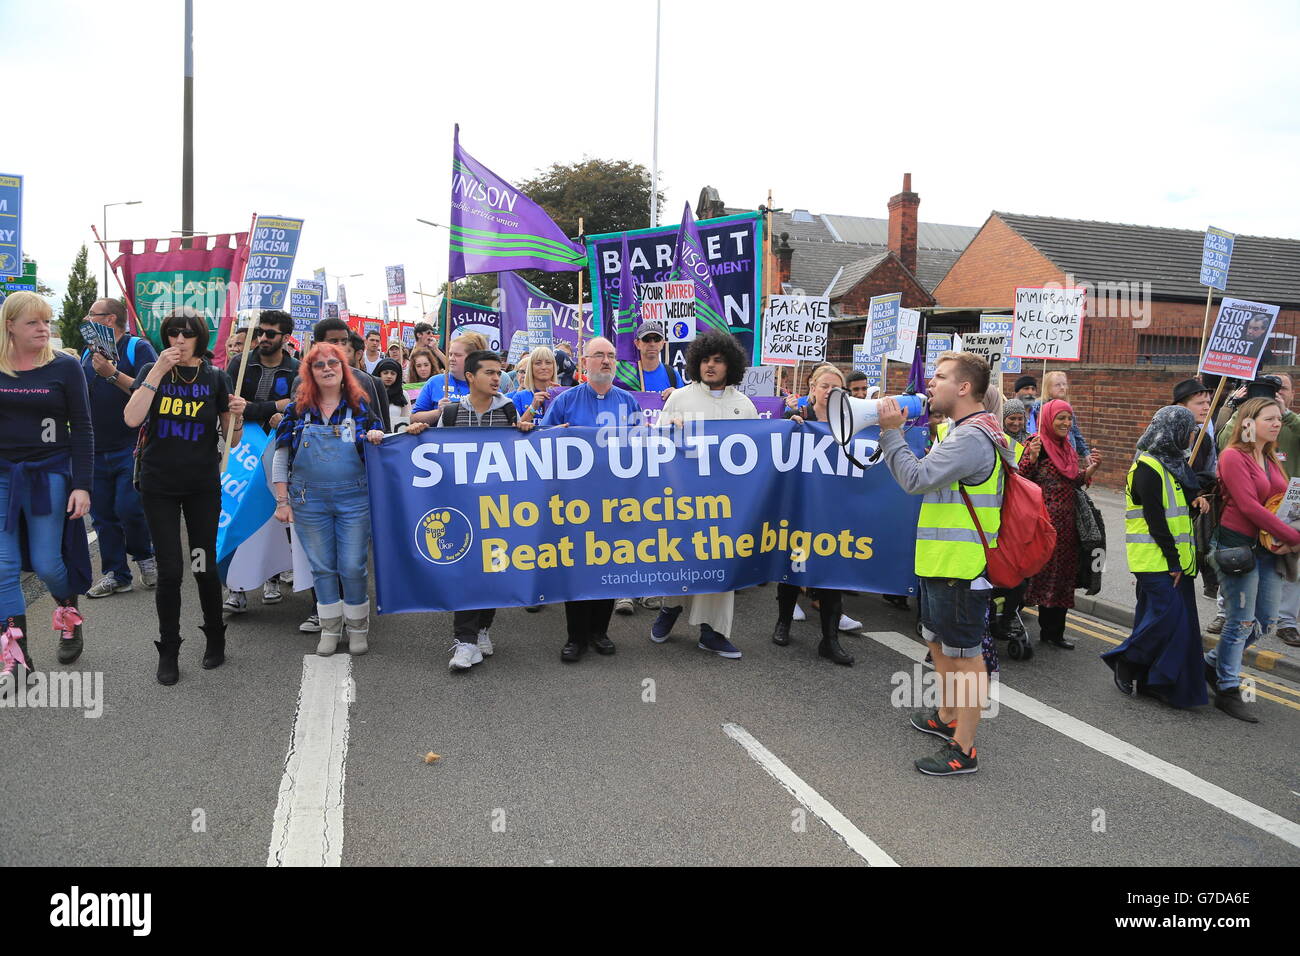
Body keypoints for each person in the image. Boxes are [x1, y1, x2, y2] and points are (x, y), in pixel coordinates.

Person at [877, 351, 1017, 775]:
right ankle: (947, 715)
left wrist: (891, 433)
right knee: (937, 642)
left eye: (939, 377)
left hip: (961, 565)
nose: (930, 384)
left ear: (964, 387)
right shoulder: (960, 432)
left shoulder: (972, 438)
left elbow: (916, 479)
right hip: (941, 561)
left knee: (965, 655)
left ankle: (965, 748)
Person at [123, 307, 247, 685]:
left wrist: (236, 416)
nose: (179, 340)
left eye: (187, 334)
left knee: (202, 565)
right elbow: (132, 418)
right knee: (170, 571)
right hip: (158, 486)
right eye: (173, 333)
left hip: (201, 487)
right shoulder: (152, 372)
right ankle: (170, 647)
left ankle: (214, 636)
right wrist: (157, 372)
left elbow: (232, 441)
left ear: (199, 338)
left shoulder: (215, 377)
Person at [274, 343, 399, 657]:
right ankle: (330, 628)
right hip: (308, 499)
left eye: (333, 362)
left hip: (354, 499)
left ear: (344, 368)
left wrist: (375, 438)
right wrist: (282, 501)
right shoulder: (297, 409)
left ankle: (358, 628)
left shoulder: (359, 407)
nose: (327, 368)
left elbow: (380, 443)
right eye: (319, 365)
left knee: (353, 567)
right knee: (322, 568)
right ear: (310, 372)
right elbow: (281, 455)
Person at [0, 292, 94, 688]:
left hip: (49, 473)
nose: (44, 329)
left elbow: (83, 429)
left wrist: (82, 485)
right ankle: (16, 660)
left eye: (46, 321)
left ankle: (67, 612)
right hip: (2, 474)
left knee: (46, 563)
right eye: (33, 323)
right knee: (3, 568)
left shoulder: (66, 366)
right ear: (10, 327)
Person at [650, 332, 756, 660]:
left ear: (731, 365)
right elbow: (656, 444)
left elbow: (759, 451)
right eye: (706, 359)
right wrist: (670, 427)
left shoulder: (745, 405)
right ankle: (670, 608)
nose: (711, 365)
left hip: (725, 503)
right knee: (680, 556)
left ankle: (713, 631)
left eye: (718, 360)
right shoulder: (679, 398)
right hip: (684, 499)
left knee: (720, 561)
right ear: (697, 362)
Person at [539, 337, 644, 662]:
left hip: (615, 502)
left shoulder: (628, 402)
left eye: (611, 355)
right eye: (599, 355)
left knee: (609, 567)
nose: (606, 361)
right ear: (585, 362)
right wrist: (558, 434)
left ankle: (600, 631)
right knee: (578, 568)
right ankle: (575, 637)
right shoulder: (566, 401)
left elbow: (643, 447)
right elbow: (543, 441)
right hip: (575, 503)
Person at [1103, 406, 1209, 707]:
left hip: (1177, 560)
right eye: (1188, 430)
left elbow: (1184, 495)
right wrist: (1173, 561)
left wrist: (1197, 499)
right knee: (1167, 618)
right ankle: (1126, 660)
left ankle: (1156, 682)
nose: (1191, 435)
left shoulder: (1175, 462)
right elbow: (1155, 519)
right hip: (1155, 560)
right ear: (1173, 431)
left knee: (1178, 625)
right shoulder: (1147, 466)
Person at [1204, 397, 1300, 722]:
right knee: (1241, 621)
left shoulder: (1272, 458)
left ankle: (1211, 664)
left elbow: (1279, 502)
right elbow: (1248, 507)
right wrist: (1294, 538)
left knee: (1266, 621)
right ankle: (1228, 689)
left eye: (1279, 419)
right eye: (1270, 419)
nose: (1277, 424)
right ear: (1248, 423)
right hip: (1237, 548)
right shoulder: (1233, 456)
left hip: (1268, 551)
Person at [438, 349, 533, 671]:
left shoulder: (507, 408)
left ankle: (482, 630)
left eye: (499, 372)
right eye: (489, 373)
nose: (497, 378)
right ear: (470, 377)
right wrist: (416, 433)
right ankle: (464, 640)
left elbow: (517, 450)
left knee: (493, 568)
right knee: (466, 572)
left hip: (497, 508)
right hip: (462, 507)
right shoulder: (451, 413)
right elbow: (435, 452)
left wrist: (522, 432)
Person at [773, 363, 862, 659]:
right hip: (800, 509)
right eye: (824, 386)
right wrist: (789, 424)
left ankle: (830, 640)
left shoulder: (850, 422)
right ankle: (783, 621)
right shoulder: (799, 418)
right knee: (793, 568)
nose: (829, 392)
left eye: (836, 389)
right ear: (812, 388)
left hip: (833, 512)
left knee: (830, 575)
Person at [80, 298, 158, 598]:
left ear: (110, 319)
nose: (87, 320)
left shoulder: (136, 348)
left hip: (132, 444)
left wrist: (111, 374)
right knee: (102, 514)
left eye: (92, 315)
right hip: (95, 446)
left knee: (129, 508)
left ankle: (144, 555)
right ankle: (116, 573)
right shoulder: (88, 353)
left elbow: (150, 391)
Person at [224, 309, 299, 614]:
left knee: (273, 515)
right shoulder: (239, 364)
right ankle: (235, 587)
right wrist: (266, 409)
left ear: (285, 338)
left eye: (270, 334)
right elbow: (229, 404)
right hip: (242, 448)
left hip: (279, 450)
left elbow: (293, 406)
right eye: (260, 333)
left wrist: (253, 407)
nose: (263, 339)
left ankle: (271, 576)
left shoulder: (295, 369)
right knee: (237, 511)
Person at [1019, 398, 1102, 650]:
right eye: (1061, 418)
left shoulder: (1067, 447)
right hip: (1042, 524)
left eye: (1069, 418)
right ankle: (1013, 622)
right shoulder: (1036, 443)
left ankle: (1054, 633)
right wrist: (1031, 458)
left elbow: (1073, 480)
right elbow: (1020, 478)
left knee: (1063, 578)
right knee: (1038, 576)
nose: (1066, 423)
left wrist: (1091, 470)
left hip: (1068, 527)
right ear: (1048, 419)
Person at [410, 331, 488, 424]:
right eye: (450, 354)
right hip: (440, 438)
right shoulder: (435, 382)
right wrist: (438, 412)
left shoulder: (487, 385)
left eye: (458, 355)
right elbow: (413, 418)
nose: (451, 359)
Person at [1027, 371, 1088, 458]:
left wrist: (1086, 452)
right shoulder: (1038, 406)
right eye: (1058, 385)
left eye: (1064, 384)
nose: (1062, 387)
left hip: (1068, 453)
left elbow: (1074, 431)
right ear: (1048, 387)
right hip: (1048, 455)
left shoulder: (1067, 406)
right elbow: (1033, 429)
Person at [617, 323, 682, 398]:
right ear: (637, 343)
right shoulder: (625, 375)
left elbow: (683, 405)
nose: (652, 344)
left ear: (662, 343)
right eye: (646, 339)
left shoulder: (672, 375)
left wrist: (677, 395)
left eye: (657, 339)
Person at [511, 345, 565, 425]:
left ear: (554, 367)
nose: (543, 367)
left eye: (548, 363)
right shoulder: (519, 397)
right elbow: (513, 430)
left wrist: (560, 398)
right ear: (531, 368)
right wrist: (533, 408)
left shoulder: (563, 396)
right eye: (538, 363)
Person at [373, 358, 409, 430]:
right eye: (385, 373)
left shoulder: (403, 395)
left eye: (393, 373)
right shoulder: (372, 392)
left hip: (395, 437)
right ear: (379, 374)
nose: (389, 376)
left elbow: (406, 419)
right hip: (374, 436)